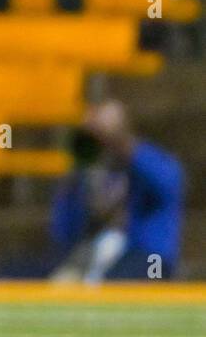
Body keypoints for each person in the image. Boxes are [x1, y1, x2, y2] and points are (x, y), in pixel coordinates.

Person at [49, 101, 184, 281]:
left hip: (149, 258)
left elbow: (168, 183)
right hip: (95, 253)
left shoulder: (150, 162)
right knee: (59, 284)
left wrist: (120, 140)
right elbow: (64, 231)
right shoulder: (88, 169)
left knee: (114, 283)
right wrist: (79, 159)